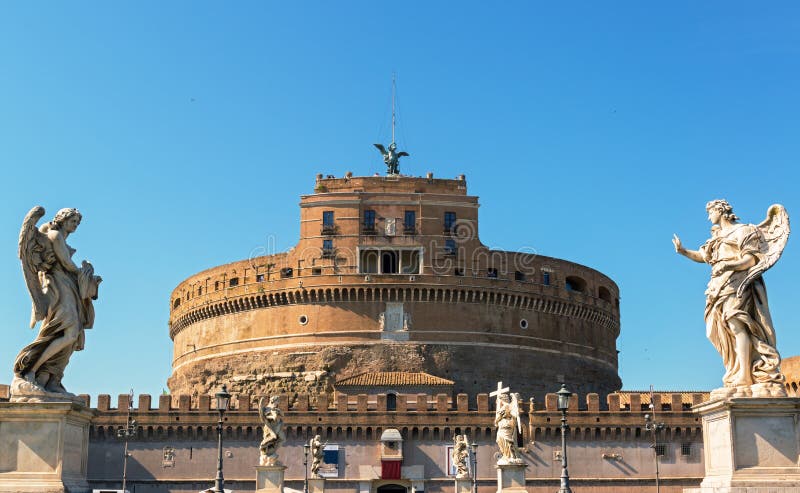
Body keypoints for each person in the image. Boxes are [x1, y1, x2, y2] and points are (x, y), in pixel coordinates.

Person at [673, 199, 785, 393]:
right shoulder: (717, 237)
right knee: (717, 329)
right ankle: (735, 370)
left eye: (710, 212)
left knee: (736, 324)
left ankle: (744, 374)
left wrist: (729, 265)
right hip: (718, 285)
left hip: (739, 282)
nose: (709, 217)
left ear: (720, 211)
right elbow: (704, 257)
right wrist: (683, 251)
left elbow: (751, 260)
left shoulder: (744, 230)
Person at [14, 207, 102, 396]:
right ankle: (30, 371)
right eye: (73, 221)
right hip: (58, 287)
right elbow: (66, 263)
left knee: (72, 334)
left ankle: (50, 378)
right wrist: (86, 272)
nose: (75, 225)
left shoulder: (59, 236)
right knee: (68, 330)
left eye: (78, 223)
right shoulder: (54, 235)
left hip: (68, 285)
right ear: (62, 219)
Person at [494, 392, 521, 463]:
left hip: (506, 424)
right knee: (499, 439)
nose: (498, 402)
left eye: (499, 400)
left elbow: (513, 414)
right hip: (502, 425)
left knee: (508, 440)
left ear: (502, 400)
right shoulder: (503, 407)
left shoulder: (508, 406)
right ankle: (506, 455)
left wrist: (496, 421)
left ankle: (511, 455)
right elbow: (499, 417)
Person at [259, 395, 286, 465]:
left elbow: (283, 415)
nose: (278, 403)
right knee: (272, 438)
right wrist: (273, 416)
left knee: (283, 439)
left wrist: (278, 411)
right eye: (277, 401)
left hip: (277, 426)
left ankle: (272, 452)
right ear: (272, 401)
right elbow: (265, 417)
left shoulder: (275, 408)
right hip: (270, 427)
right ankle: (264, 446)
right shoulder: (267, 408)